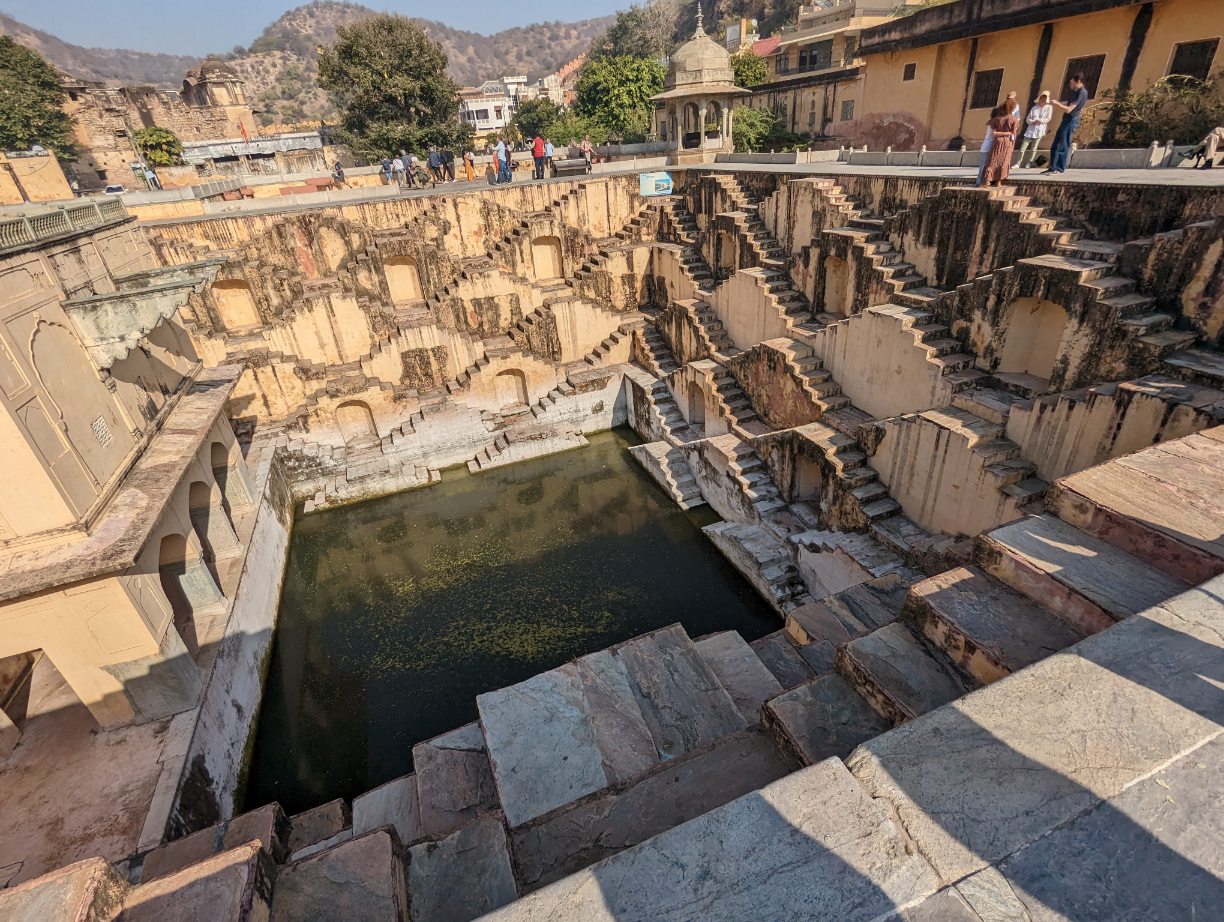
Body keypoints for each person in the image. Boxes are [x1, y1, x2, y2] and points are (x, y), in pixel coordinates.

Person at [1044, 73, 1088, 175]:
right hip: (1065, 120)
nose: (1070, 85)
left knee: (1063, 144)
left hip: (1071, 120)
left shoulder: (1082, 93)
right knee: (1055, 144)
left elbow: (1069, 109)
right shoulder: (1074, 92)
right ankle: (1052, 167)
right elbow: (1067, 104)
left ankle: (1059, 168)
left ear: (1078, 82)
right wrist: (1055, 102)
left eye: (1072, 83)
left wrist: (1057, 104)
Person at [980, 104, 1019, 186]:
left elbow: (994, 133)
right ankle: (998, 181)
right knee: (1003, 162)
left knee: (993, 160)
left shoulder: (996, 120)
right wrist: (1007, 133)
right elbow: (1013, 134)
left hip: (997, 142)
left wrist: (1001, 133)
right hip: (1008, 142)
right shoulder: (1014, 119)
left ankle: (987, 180)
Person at [1015, 91, 1053, 168]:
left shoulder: (1049, 107)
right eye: (1042, 97)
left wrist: (1040, 121)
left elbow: (1048, 118)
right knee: (1022, 147)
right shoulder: (1034, 108)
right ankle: (1018, 163)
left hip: (1040, 130)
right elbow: (1027, 119)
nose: (1043, 99)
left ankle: (1029, 163)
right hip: (1030, 130)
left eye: (1045, 98)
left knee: (1034, 148)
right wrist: (1033, 121)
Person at [975, 119, 995, 187]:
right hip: (988, 145)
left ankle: (978, 181)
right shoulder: (993, 122)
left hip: (985, 145)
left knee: (982, 165)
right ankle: (981, 181)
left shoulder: (990, 122)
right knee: (984, 165)